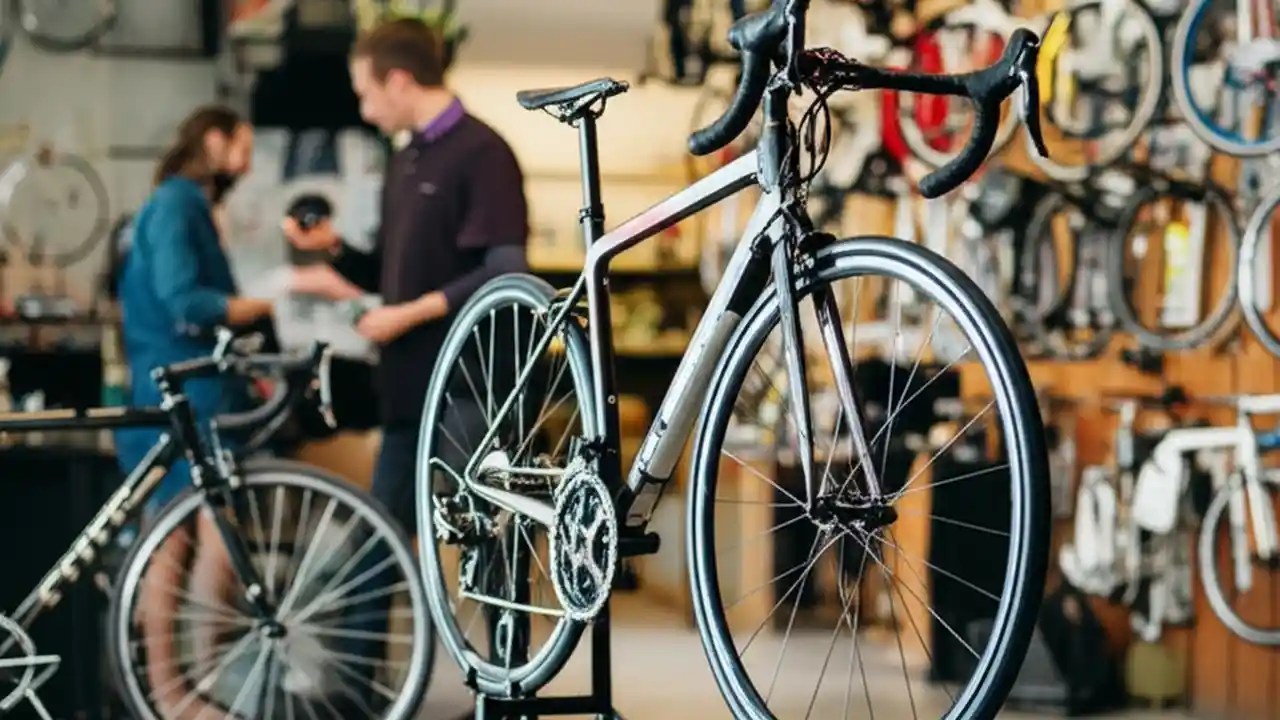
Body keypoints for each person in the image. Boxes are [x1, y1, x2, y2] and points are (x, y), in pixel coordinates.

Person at [283, 17, 529, 535]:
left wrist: (406, 316)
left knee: (483, 550)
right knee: (378, 545)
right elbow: (391, 270)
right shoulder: (406, 159)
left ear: (398, 81)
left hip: (467, 387)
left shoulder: (483, 153)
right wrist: (332, 248)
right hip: (405, 390)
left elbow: (504, 269)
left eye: (366, 93)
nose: (364, 108)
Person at [113, 104, 270, 718]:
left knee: (180, 539)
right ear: (214, 139)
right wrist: (259, 302)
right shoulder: (178, 204)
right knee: (190, 541)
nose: (250, 160)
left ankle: (187, 692)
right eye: (243, 145)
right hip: (182, 395)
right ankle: (184, 692)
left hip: (187, 390)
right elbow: (187, 299)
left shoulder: (182, 206)